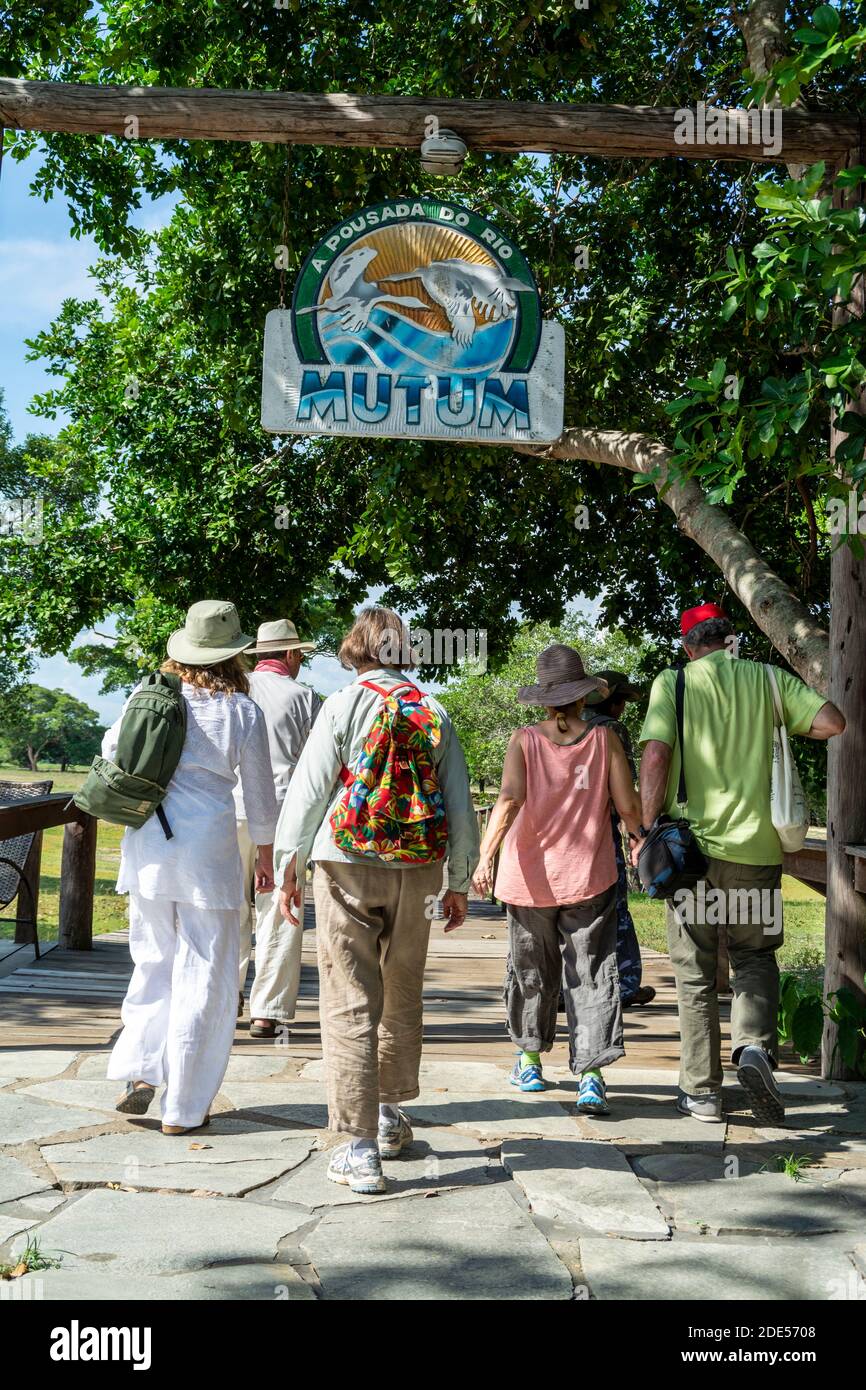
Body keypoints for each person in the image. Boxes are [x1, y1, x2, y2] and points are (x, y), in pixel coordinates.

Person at [273, 606, 479, 1195]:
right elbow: (459, 803)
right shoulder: (433, 710)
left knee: (348, 996)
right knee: (400, 988)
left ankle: (358, 1146)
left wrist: (289, 867)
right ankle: (388, 1114)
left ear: (356, 650)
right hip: (417, 869)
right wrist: (458, 881)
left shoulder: (342, 704)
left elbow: (311, 790)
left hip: (346, 861)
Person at [635, 602, 845, 1126]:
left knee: (695, 972)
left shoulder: (673, 682)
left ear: (689, 646)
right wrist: (775, 726)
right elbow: (831, 722)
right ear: (731, 640)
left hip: (690, 857)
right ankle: (754, 1050)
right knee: (755, 957)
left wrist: (644, 828)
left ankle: (703, 1093)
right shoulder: (768, 680)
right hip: (758, 854)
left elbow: (656, 755)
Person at [106, 601, 278, 1135]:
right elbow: (259, 793)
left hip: (149, 843)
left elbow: (113, 749)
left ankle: (139, 1067)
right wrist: (268, 858)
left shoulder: (149, 695)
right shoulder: (243, 712)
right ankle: (184, 1106)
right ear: (233, 655)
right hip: (208, 850)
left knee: (153, 958)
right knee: (206, 969)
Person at [473, 644, 642, 1114]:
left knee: (531, 969)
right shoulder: (604, 740)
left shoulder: (524, 740)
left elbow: (507, 802)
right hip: (590, 875)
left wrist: (485, 858)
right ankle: (590, 1076)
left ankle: (529, 1061)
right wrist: (638, 838)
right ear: (582, 697)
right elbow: (628, 806)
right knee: (591, 973)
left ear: (546, 699)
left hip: (527, 877)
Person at [235, 618, 321, 1039]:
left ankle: (225, 992)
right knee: (281, 908)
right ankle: (266, 1010)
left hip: (230, 810)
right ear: (290, 655)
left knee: (228, 905)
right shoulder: (305, 697)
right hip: (284, 813)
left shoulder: (235, 689)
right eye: (300, 654)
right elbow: (316, 764)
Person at [584, 670, 656, 1009]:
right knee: (616, 908)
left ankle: (566, 984)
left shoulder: (560, 726)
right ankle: (625, 984)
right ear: (612, 703)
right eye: (622, 701)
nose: (623, 708)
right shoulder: (610, 730)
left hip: (559, 837)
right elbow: (622, 790)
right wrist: (636, 832)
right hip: (600, 833)